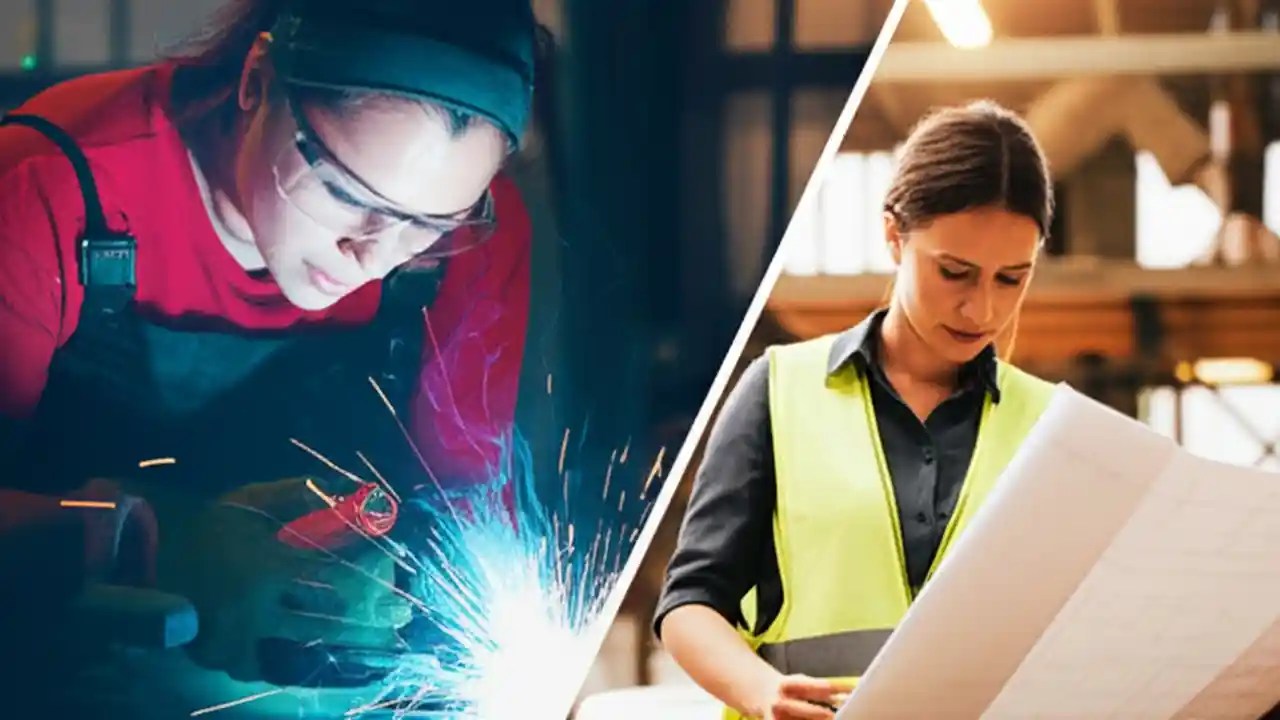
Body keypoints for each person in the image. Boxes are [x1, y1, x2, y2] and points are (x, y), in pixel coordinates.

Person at [0, 0, 543, 715]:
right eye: (346, 194)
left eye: (428, 224)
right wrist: (153, 545)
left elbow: (467, 498)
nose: (375, 256)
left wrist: (427, 567)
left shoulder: (465, 243)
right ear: (257, 82)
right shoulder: (48, 187)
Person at [654, 101, 1060, 720]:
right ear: (895, 235)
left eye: (1011, 279)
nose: (982, 311)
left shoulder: (1055, 426)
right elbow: (688, 603)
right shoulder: (779, 391)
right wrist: (759, 689)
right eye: (955, 272)